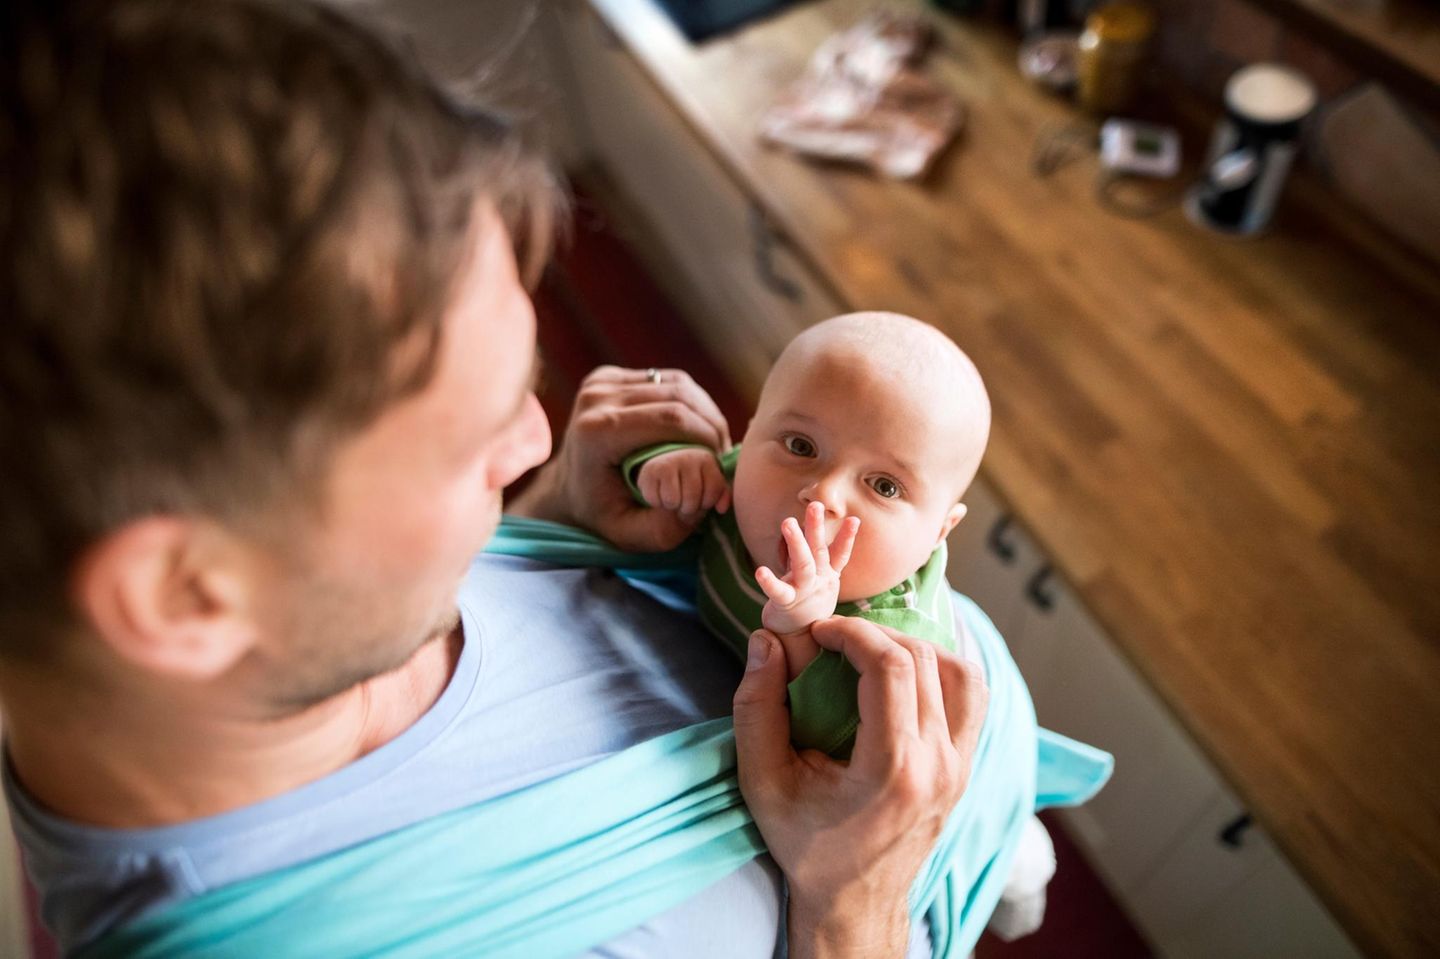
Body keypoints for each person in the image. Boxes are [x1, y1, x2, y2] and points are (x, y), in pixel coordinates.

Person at [0, 1, 992, 955]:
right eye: (466, 438)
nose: (535, 439)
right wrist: (855, 906)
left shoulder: (298, 622)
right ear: (185, 594)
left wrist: (554, 511)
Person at [623, 313, 990, 756]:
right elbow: (633, 497)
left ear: (939, 532)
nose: (823, 493)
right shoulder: (744, 480)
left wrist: (803, 635)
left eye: (885, 486)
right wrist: (666, 467)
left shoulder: (897, 639)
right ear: (753, 427)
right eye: (802, 446)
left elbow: (848, 747)